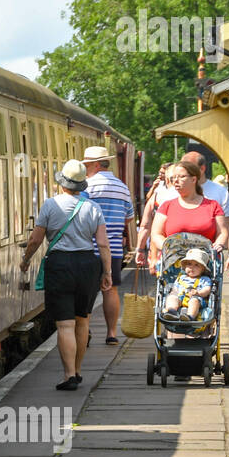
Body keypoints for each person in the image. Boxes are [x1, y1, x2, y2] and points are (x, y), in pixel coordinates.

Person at [19, 159, 112, 391]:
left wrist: (26, 260)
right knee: (83, 321)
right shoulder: (93, 208)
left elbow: (36, 239)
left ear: (62, 183)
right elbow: (103, 245)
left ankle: (69, 374)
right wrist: (107, 272)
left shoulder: (50, 205)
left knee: (65, 325)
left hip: (59, 264)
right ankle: (78, 370)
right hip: (87, 265)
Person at [83, 145, 136, 344]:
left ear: (96, 165)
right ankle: (112, 333)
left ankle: (84, 332)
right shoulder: (122, 187)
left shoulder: (88, 186)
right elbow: (129, 218)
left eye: (87, 165)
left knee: (87, 292)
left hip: (89, 247)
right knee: (110, 289)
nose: (86, 169)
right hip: (113, 248)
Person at [150, 159, 228, 262]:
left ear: (193, 179)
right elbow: (156, 234)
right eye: (174, 177)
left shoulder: (213, 206)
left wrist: (218, 244)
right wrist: (168, 247)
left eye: (181, 177)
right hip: (173, 263)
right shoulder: (166, 206)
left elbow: (222, 232)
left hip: (205, 263)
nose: (176, 181)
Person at [180, 150, 229, 277]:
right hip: (178, 257)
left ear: (202, 169)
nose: (183, 172)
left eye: (189, 168)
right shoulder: (176, 190)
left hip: (208, 259)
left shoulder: (219, 192)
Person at [135, 163, 176, 268]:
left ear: (167, 179)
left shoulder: (158, 196)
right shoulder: (196, 197)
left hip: (161, 248)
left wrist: (140, 249)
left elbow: (145, 225)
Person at [164, 248, 213, 320]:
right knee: (172, 298)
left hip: (196, 298)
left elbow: (207, 289)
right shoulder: (181, 277)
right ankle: (172, 312)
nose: (191, 267)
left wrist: (199, 293)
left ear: (202, 269)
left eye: (196, 265)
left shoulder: (204, 279)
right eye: (189, 264)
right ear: (185, 266)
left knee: (194, 302)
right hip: (180, 297)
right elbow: (175, 289)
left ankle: (190, 316)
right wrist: (173, 293)